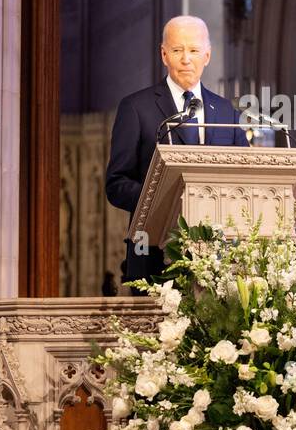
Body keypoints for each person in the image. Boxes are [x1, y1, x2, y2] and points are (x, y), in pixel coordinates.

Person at [105, 16, 247, 285]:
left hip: (221, 262)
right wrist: (164, 199)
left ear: (207, 55)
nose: (186, 59)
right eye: (177, 50)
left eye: (194, 50)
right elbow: (116, 184)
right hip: (153, 257)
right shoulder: (136, 108)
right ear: (164, 54)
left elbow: (246, 175)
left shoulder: (226, 110)